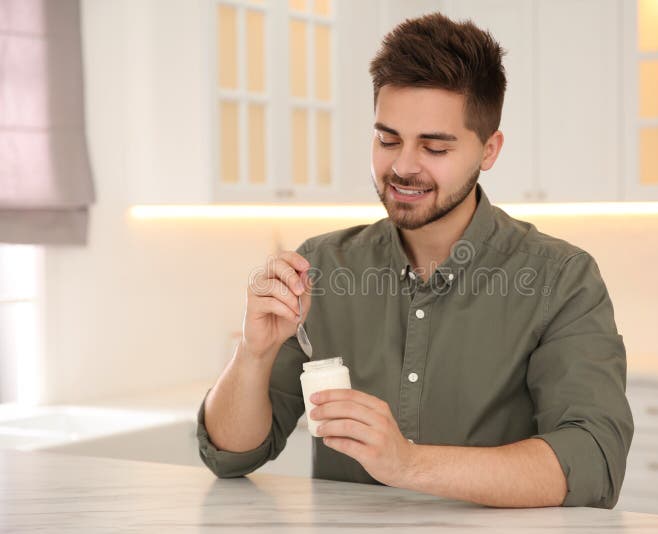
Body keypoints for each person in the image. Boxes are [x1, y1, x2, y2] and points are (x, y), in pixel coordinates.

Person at [197, 12, 633, 509]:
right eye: (387, 140)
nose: (403, 166)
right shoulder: (321, 267)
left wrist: (409, 464)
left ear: (489, 150)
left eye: (435, 147)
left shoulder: (561, 278)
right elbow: (231, 455)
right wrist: (252, 354)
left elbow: (593, 462)